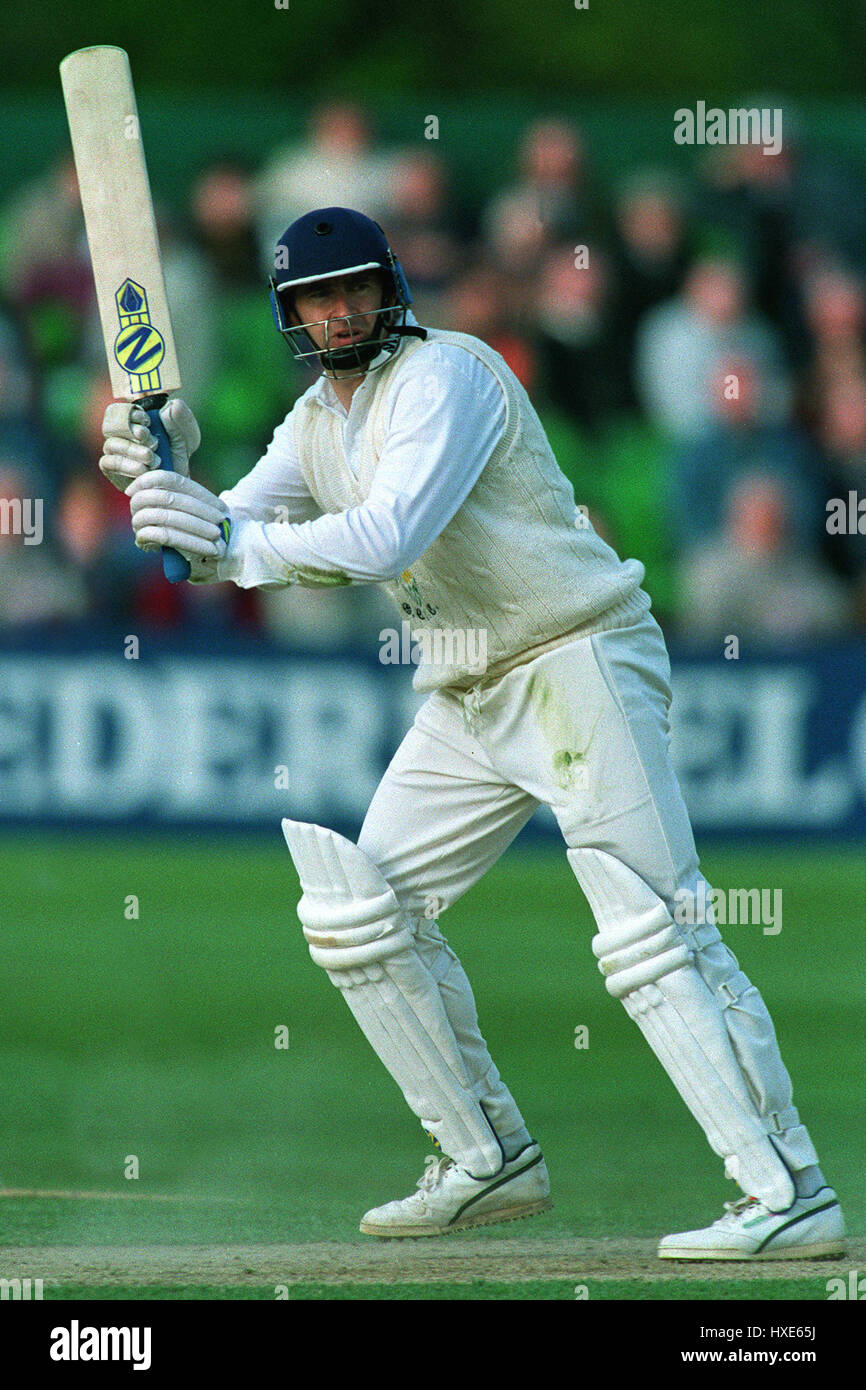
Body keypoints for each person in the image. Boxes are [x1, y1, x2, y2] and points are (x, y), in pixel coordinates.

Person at [98, 207, 845, 1258]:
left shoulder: (446, 375)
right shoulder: (316, 420)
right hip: (465, 686)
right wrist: (154, 474)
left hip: (575, 652)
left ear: (389, 286)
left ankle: (788, 1190)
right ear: (290, 313)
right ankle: (485, 1154)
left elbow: (382, 534)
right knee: (360, 910)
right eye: (318, 296)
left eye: (356, 286)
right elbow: (223, 526)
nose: (341, 309)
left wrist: (226, 538)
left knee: (648, 932)